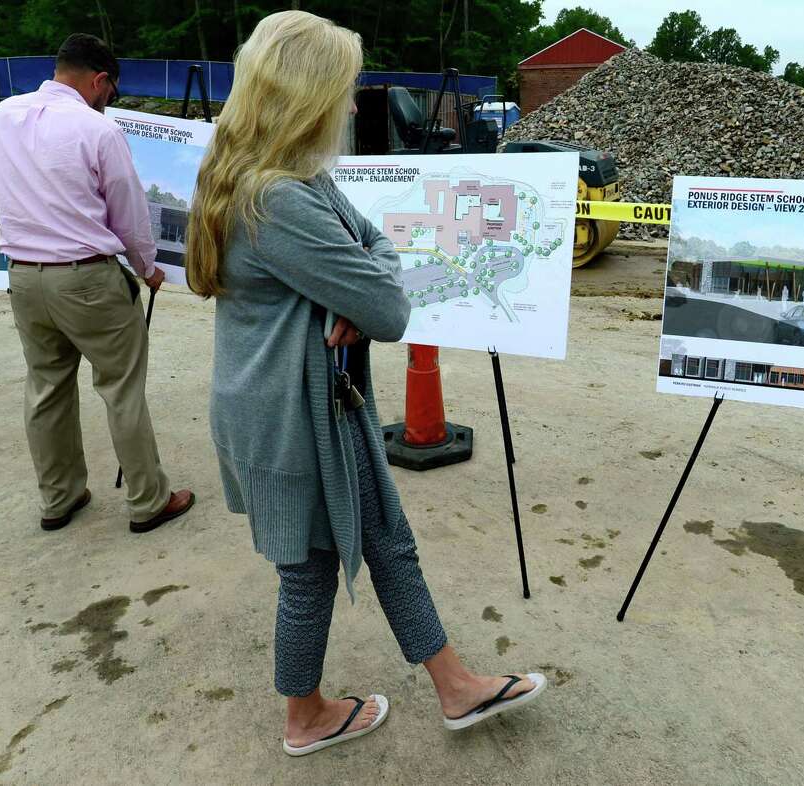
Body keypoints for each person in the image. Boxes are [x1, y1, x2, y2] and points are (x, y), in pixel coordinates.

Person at [186, 11, 545, 757]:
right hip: (288, 416)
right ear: (305, 93)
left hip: (312, 406)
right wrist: (354, 294)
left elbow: (378, 243)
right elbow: (388, 307)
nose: (353, 107)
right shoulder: (276, 196)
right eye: (344, 91)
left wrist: (348, 288)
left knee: (386, 538)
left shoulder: (280, 174)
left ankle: (453, 687)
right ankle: (305, 717)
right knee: (310, 570)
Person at [0, 33, 194, 533]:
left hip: (23, 279)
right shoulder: (94, 129)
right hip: (86, 278)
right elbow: (129, 210)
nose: (108, 102)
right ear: (99, 80)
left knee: (46, 388)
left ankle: (59, 497)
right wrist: (147, 267)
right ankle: (148, 501)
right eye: (110, 92)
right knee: (121, 387)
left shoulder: (0, 118)